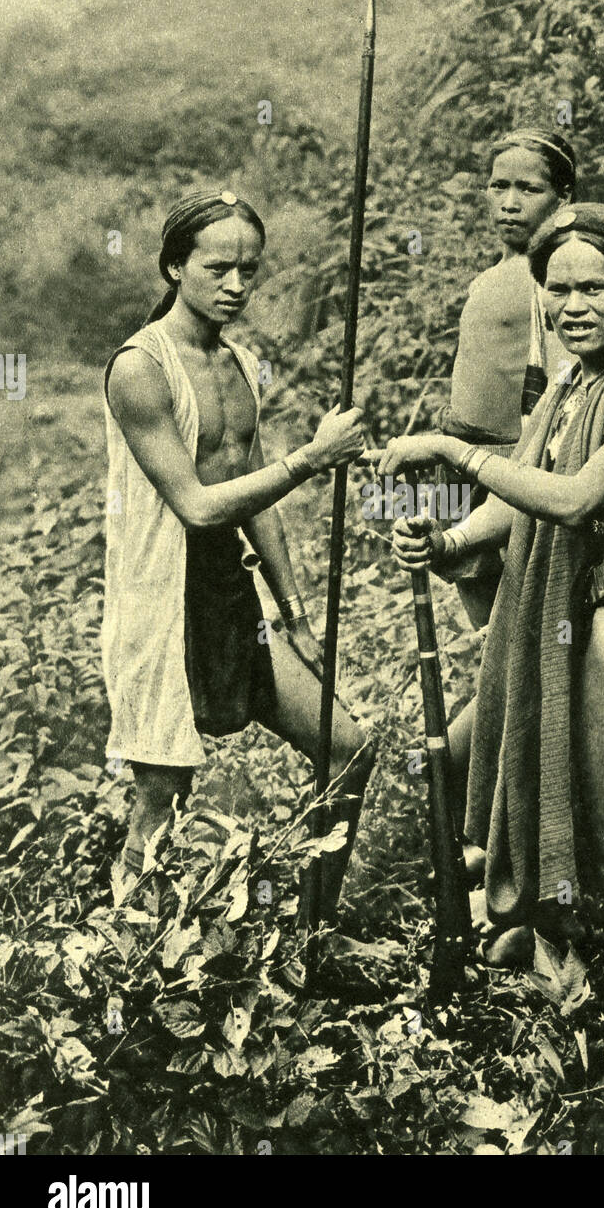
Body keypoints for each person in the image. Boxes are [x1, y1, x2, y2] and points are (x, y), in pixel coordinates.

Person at [380, 203, 604, 1106]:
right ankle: (600, 1044)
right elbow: (519, 499)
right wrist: (445, 546)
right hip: (574, 634)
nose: (570, 304)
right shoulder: (566, 385)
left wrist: (451, 451)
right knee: (596, 859)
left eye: (592, 286)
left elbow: (570, 498)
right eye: (554, 288)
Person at [102, 188, 373, 923]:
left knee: (348, 748)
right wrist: (311, 459)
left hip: (231, 593)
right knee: (161, 795)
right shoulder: (140, 368)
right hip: (163, 598)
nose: (235, 286)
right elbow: (194, 505)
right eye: (218, 268)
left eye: (249, 271)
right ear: (172, 268)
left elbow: (256, 502)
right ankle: (128, 967)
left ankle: (314, 930)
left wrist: (293, 612)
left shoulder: (243, 365)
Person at [437, 127, 576, 628]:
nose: (510, 203)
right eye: (499, 187)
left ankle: (513, 701)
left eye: (528, 189)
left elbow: (567, 382)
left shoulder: (556, 279)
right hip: (459, 460)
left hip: (515, 464)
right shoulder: (489, 277)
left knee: (524, 614)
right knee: (480, 607)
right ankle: (495, 698)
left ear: (563, 198)